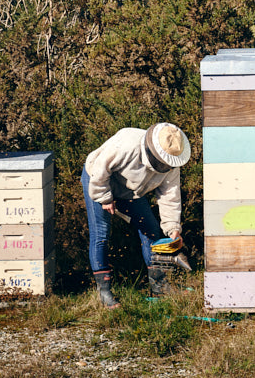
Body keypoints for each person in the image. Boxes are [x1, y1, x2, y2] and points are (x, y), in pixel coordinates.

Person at [81, 122, 191, 308]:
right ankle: (104, 292)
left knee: (151, 229)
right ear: (151, 150)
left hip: (130, 192)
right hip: (98, 182)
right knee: (101, 232)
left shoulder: (172, 163)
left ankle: (158, 286)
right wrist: (105, 198)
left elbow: (169, 197)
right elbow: (100, 170)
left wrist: (173, 228)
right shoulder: (126, 143)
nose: (163, 166)